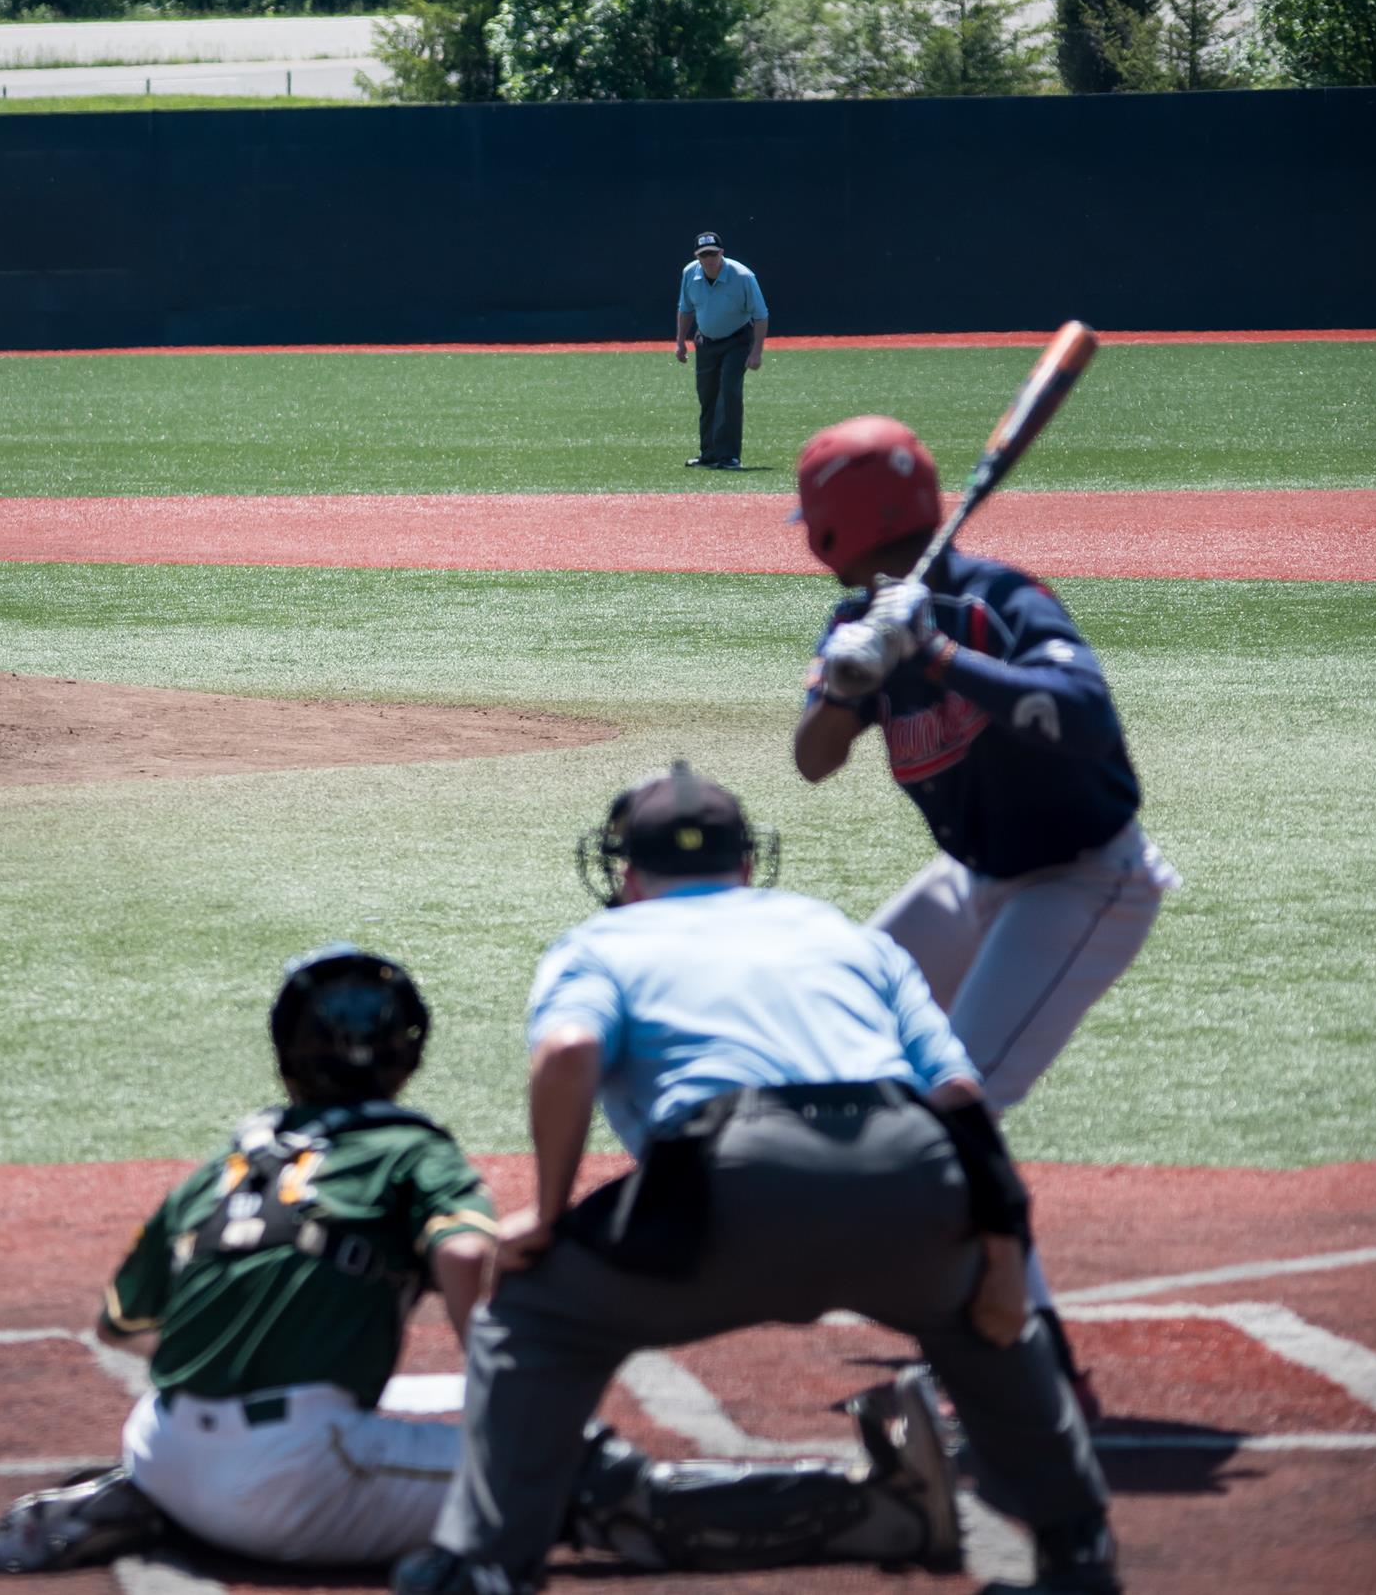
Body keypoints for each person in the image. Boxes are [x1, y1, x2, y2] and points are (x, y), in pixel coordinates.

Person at [0, 947, 959, 1581]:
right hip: (284, 1487)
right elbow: (466, 1273)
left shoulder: (231, 1157)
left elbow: (125, 1328)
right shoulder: (412, 1150)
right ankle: (875, 1516)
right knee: (567, 1464)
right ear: (406, 1053)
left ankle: (148, 1493)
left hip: (159, 1439)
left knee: (400, 1398)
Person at [396, 763, 1121, 1595]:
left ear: (626, 873)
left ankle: (484, 1564)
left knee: (531, 1316)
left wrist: (550, 1212)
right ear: (747, 864)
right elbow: (960, 1098)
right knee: (983, 1321)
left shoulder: (602, 942)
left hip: (730, 1181)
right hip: (907, 1173)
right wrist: (997, 1260)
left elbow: (566, 1054)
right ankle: (1078, 1551)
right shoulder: (842, 933)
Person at [792, 413, 1179, 1419]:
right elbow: (813, 756)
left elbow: (1085, 714)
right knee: (828, 1020)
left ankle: (1036, 1363)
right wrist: (853, 677)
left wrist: (938, 661)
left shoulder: (999, 598)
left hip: (1083, 881)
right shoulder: (859, 621)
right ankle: (898, 1260)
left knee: (946, 1121)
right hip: (974, 881)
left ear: (834, 524)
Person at [674, 231, 768, 471]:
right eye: (703, 254)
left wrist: (756, 351)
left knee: (728, 392)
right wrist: (680, 341)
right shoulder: (690, 274)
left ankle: (729, 456)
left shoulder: (743, 276)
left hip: (737, 340)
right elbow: (685, 309)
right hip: (705, 341)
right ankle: (709, 454)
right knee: (707, 396)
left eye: (713, 253)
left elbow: (760, 316)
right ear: (697, 257)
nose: (709, 259)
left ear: (722, 253)